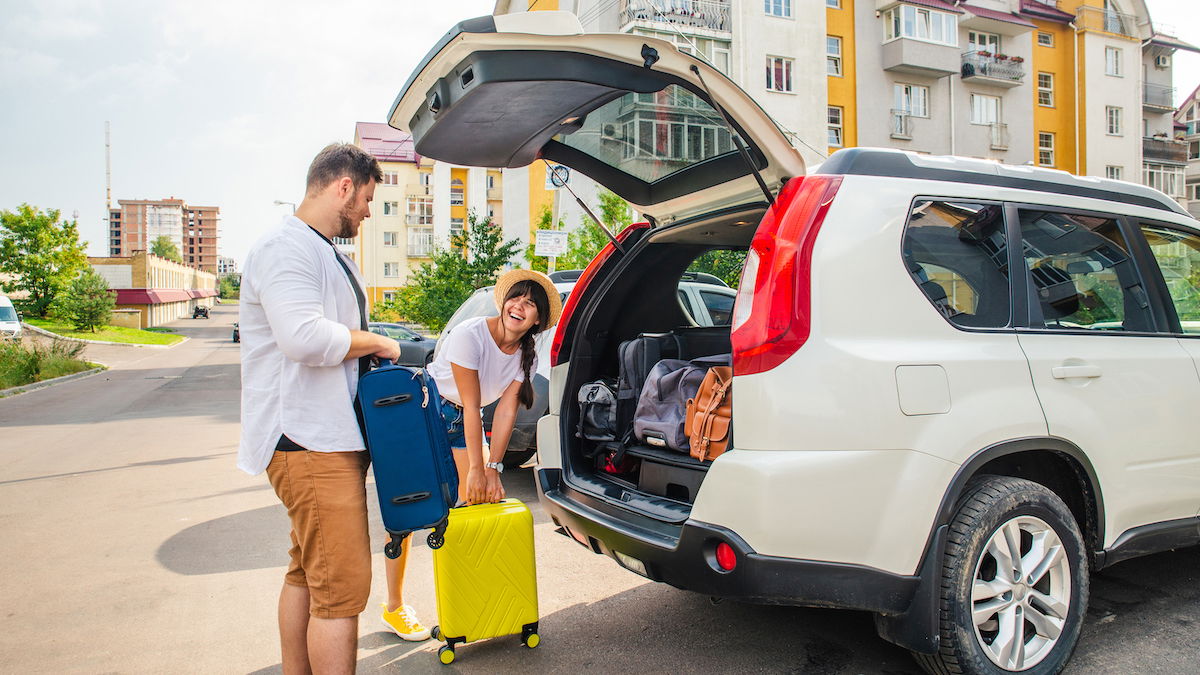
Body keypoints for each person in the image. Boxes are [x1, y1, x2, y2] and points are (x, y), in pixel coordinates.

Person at [238, 143, 400, 675]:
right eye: (369, 198)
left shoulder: (318, 248)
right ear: (344, 187)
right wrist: (375, 343)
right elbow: (303, 337)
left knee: (309, 572)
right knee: (343, 589)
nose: (370, 212)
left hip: (317, 438)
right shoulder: (288, 248)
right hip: (309, 442)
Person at [379, 269, 562, 641]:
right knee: (408, 512)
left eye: (530, 304)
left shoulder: (528, 352)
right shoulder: (470, 334)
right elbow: (471, 401)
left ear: (538, 319)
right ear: (504, 301)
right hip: (426, 415)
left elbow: (508, 409)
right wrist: (479, 467)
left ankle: (470, 603)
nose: (520, 307)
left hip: (464, 419)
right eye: (516, 298)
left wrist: (493, 468)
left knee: (474, 504)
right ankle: (394, 608)